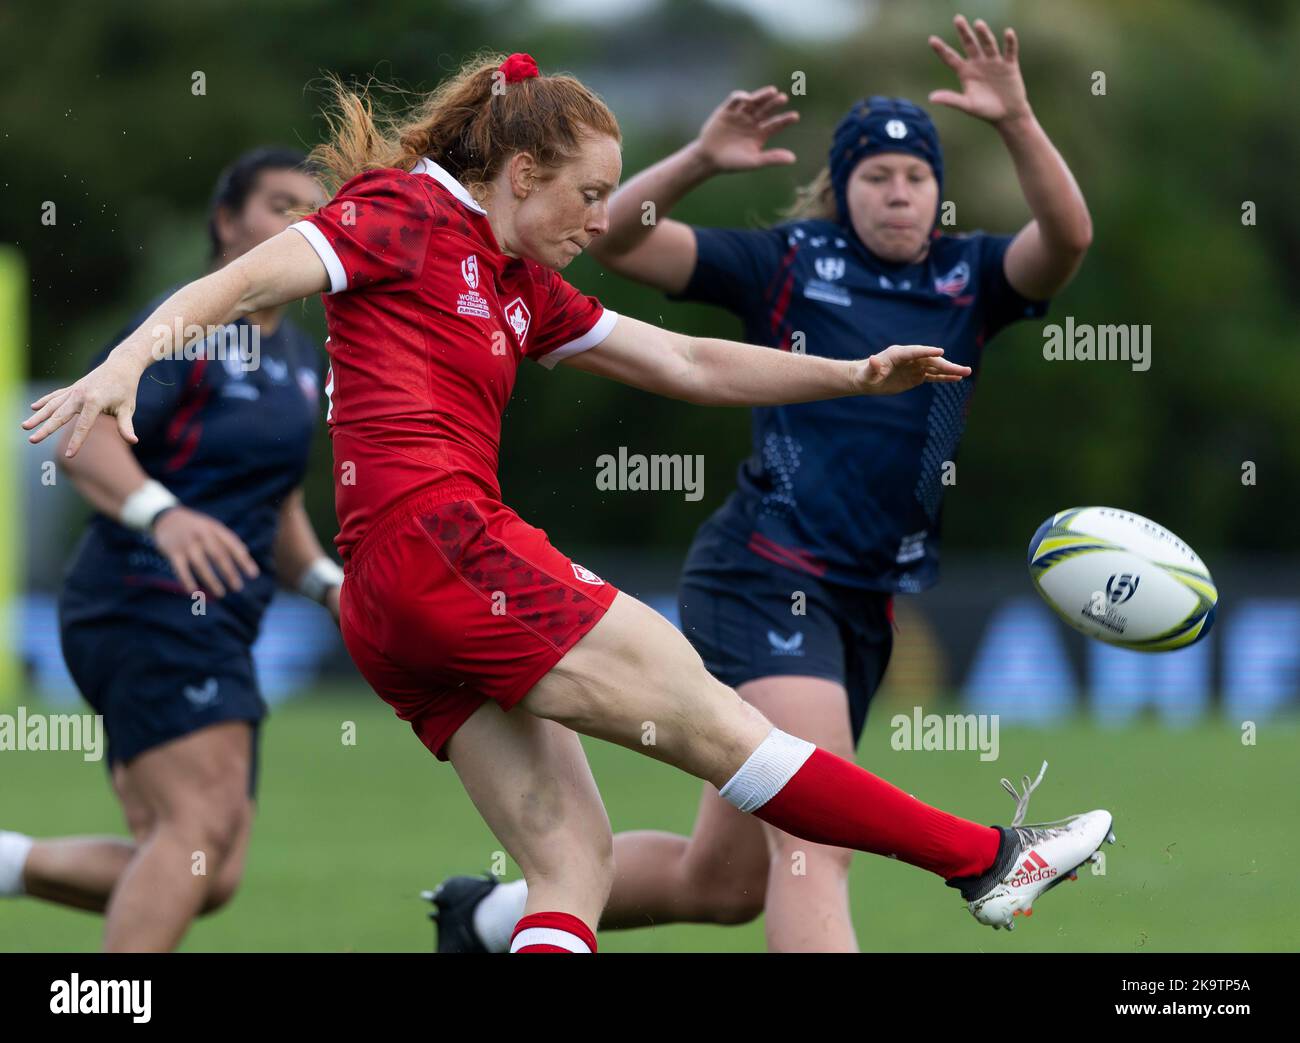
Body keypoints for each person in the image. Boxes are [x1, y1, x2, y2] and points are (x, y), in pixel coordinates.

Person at [24, 50, 1113, 956]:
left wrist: (851, 371)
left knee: (572, 866)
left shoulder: (517, 282)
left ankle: (978, 859)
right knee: (732, 729)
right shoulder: (400, 212)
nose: (603, 220)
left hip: (392, 602)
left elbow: (685, 360)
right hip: (450, 551)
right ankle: (983, 857)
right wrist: (128, 360)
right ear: (521, 170)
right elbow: (243, 279)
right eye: (589, 195)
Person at [429, 16, 1095, 952]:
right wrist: (702, 155)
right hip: (767, 574)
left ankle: (487, 916)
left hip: (865, 597)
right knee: (811, 843)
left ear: (938, 192)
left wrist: (1019, 120)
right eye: (877, 175)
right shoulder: (788, 260)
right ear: (843, 188)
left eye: (917, 177)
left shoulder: (968, 274)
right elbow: (617, 239)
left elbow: (1066, 241)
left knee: (728, 879)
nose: (899, 193)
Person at [1, 148, 341, 952]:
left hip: (223, 622)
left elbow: (275, 502)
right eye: (279, 203)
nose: (300, 223)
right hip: (141, 599)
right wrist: (165, 516)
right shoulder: (185, 326)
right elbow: (81, 440)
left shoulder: (300, 358)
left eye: (314, 210)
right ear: (226, 223)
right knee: (197, 825)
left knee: (206, 869)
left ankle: (9, 862)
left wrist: (329, 583)